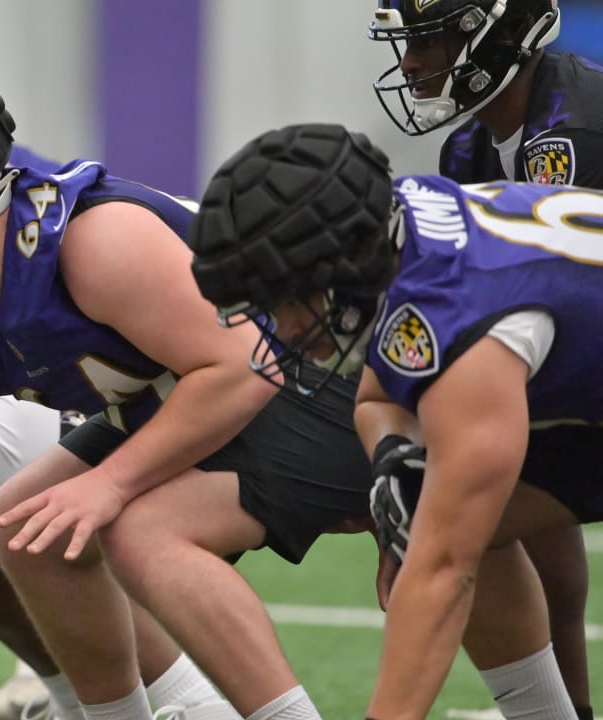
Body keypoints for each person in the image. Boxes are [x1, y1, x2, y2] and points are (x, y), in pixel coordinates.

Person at [0, 68, 373, 720]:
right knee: (26, 524)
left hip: (318, 379)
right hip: (198, 389)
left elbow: (246, 366)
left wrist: (110, 485)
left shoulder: (92, 240)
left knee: (141, 530)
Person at [185, 121, 594, 720]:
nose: (285, 328)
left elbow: (443, 570)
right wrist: (393, 468)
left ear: (342, 265)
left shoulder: (462, 323)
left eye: (286, 300)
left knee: (447, 535)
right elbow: (378, 400)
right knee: (436, 506)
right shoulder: (398, 231)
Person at [370, 2, 597, 715]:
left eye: (431, 39)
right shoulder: (469, 149)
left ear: (499, 30)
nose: (411, 62)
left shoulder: (579, 128)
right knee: (492, 511)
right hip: (573, 355)